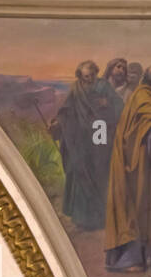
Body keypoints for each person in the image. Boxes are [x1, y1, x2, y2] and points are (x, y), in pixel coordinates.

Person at [50, 60, 123, 232]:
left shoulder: (104, 86)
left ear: (96, 73)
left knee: (99, 173)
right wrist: (57, 124)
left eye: (91, 76)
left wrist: (108, 105)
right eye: (85, 77)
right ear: (80, 76)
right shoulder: (76, 89)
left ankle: (101, 218)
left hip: (100, 134)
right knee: (80, 172)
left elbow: (119, 105)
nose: (89, 79)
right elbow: (66, 110)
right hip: (81, 139)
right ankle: (82, 219)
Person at [105, 68, 151, 272]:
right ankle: (132, 259)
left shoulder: (142, 95)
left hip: (139, 163)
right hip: (135, 164)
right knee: (136, 208)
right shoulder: (143, 98)